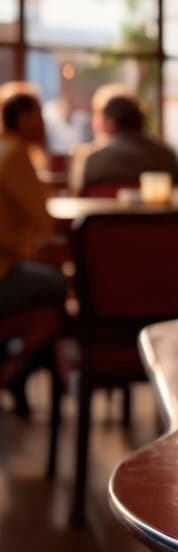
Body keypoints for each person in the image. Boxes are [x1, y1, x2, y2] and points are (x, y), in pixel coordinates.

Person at [0, 83, 66, 415]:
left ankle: (18, 369)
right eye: (39, 115)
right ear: (24, 118)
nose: (43, 124)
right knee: (56, 287)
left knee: (45, 284)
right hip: (4, 270)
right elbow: (45, 219)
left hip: (9, 262)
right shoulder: (15, 155)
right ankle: (14, 370)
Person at [70, 89, 178, 193]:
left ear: (109, 123)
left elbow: (80, 196)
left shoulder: (95, 161)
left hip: (107, 217)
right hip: (157, 217)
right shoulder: (167, 157)